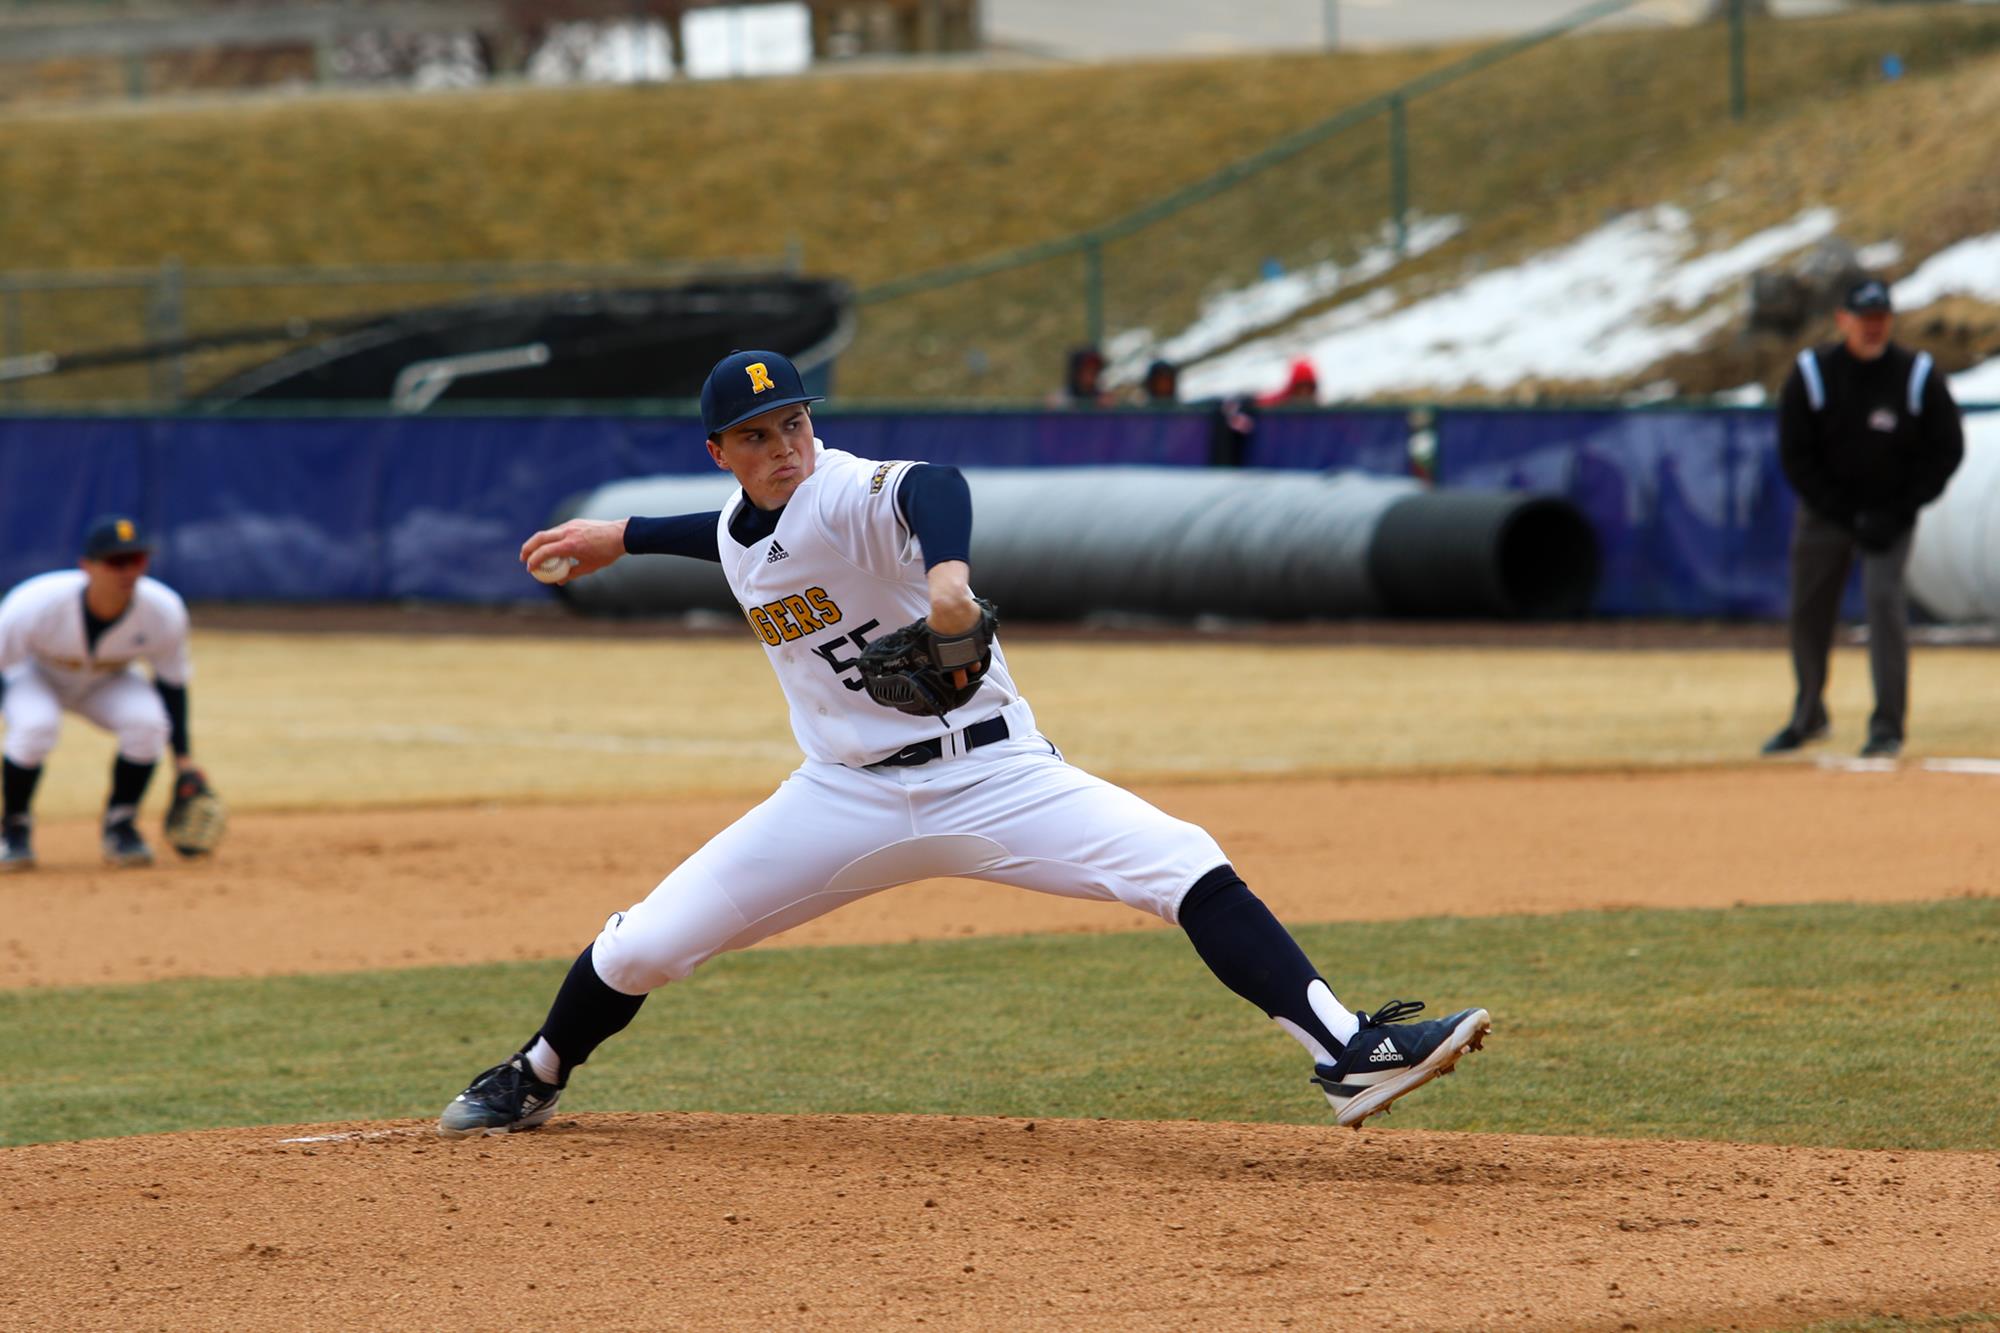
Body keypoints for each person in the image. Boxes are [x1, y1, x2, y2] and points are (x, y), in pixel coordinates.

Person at [437, 349, 1490, 1137]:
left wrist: (945, 575)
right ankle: (533, 1073)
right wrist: (615, 535)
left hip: (992, 774)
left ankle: (1346, 1052)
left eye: (792, 422)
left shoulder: (847, 490)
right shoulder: (735, 527)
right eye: (755, 435)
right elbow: (714, 533)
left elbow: (932, 483)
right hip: (838, 797)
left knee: (1182, 861)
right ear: (721, 452)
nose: (782, 446)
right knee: (639, 949)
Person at [1762, 278, 1963, 760]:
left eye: (1881, 319)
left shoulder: (1915, 374)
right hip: (1827, 510)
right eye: (1864, 319)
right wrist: (1840, 510)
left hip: (1890, 513)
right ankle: (1808, 715)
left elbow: (1946, 449)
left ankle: (1887, 726)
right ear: (1842, 320)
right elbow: (1795, 454)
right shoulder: (1813, 372)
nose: (1873, 328)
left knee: (1883, 602)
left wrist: (1899, 508)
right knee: (1810, 608)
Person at [0, 516, 201, 870]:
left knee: (149, 723)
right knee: (36, 725)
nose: (127, 571)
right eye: (115, 562)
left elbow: (171, 682)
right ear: (87, 567)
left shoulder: (163, 609)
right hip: (36, 675)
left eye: (136, 560)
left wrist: (183, 760)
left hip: (108, 679)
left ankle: (121, 825)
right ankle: (14, 828)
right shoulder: (34, 604)